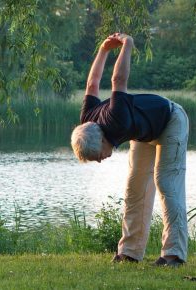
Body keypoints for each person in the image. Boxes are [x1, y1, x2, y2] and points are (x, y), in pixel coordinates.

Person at [70, 33, 189, 267]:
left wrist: (127, 44)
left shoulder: (116, 119)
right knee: (135, 188)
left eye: (98, 156)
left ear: (102, 139)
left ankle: (174, 254)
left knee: (166, 183)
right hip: (144, 132)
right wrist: (103, 50)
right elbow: (92, 84)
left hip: (171, 120)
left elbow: (118, 79)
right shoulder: (87, 120)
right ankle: (129, 252)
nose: (101, 160)